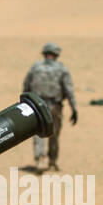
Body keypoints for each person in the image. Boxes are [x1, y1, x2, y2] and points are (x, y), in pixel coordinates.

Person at [21, 43, 77, 171]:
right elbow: (69, 90)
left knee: (38, 133)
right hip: (54, 107)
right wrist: (74, 109)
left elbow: (26, 87)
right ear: (56, 55)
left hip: (36, 107)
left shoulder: (35, 67)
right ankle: (52, 161)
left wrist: (24, 106)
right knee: (54, 134)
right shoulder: (62, 69)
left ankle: (40, 160)